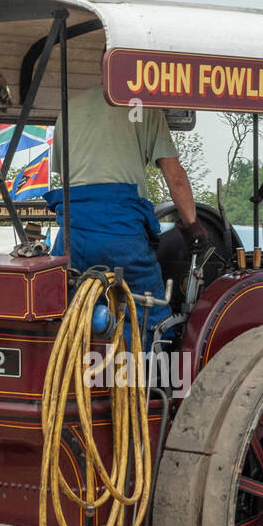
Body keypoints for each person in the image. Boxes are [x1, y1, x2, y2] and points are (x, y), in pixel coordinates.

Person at [46, 84, 204, 344]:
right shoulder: (145, 106)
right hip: (121, 232)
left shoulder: (69, 107)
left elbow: (65, 178)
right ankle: (146, 381)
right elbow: (175, 177)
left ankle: (82, 378)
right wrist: (193, 225)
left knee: (72, 314)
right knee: (151, 316)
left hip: (71, 233)